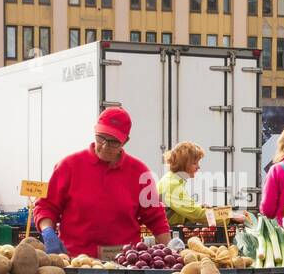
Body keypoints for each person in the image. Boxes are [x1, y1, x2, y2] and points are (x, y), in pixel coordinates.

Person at [33, 106, 170, 259]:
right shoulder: (68, 166)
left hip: (125, 262)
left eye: (113, 142)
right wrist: (47, 231)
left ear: (125, 141)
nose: (104, 146)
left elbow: (156, 218)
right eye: (101, 138)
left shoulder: (139, 172)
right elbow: (46, 206)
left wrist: (171, 255)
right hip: (75, 260)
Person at [158, 142, 209, 227]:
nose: (198, 167)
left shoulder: (173, 180)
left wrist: (200, 207)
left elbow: (183, 209)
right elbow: (196, 214)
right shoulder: (172, 184)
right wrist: (227, 217)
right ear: (184, 164)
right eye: (195, 163)